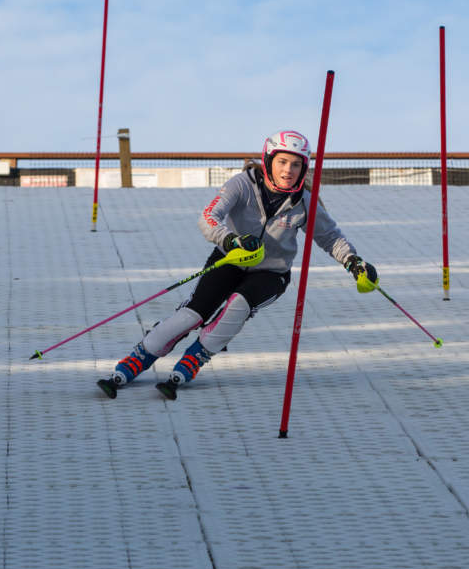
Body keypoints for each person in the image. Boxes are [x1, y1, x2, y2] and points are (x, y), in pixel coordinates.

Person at [97, 129, 378, 400]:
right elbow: (208, 218)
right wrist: (231, 240)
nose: (288, 170)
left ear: (304, 169)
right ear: (268, 160)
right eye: (282, 161)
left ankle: (195, 358)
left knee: (238, 305)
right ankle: (140, 356)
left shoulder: (304, 201)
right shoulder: (242, 184)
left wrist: (353, 262)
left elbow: (330, 237)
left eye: (295, 164)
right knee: (192, 315)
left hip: (271, 272)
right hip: (230, 258)